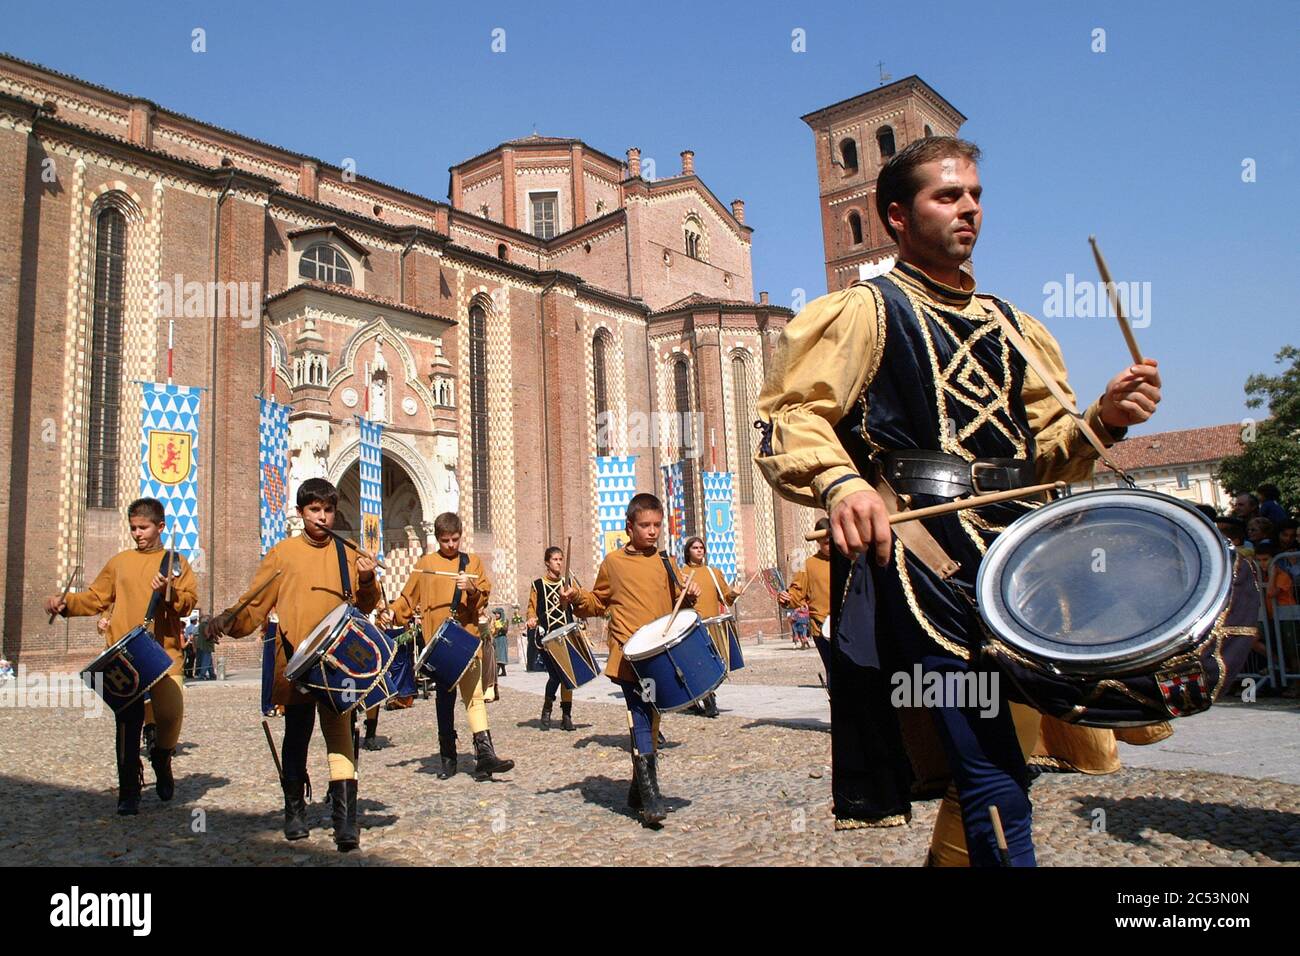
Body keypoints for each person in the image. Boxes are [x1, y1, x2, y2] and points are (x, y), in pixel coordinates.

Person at [755, 135, 1161, 863]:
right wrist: (842, 482)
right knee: (989, 764)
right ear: (897, 217)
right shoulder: (863, 311)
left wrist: (1106, 419)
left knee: (1000, 760)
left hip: (1018, 556)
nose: (969, 208)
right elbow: (792, 417)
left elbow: (1052, 454)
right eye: (947, 195)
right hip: (921, 558)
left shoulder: (1015, 325)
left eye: (974, 194)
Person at [205, 477, 379, 851]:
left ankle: (345, 821)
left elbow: (366, 605)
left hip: (336, 664)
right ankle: (295, 810)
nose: (322, 517)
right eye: (314, 510)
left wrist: (367, 580)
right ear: (301, 513)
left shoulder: (346, 553)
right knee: (297, 738)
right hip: (297, 663)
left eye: (328, 510)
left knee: (341, 737)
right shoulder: (282, 554)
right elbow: (255, 603)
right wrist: (226, 620)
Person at [45, 497, 197, 815]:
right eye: (133, 528)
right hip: (126, 653)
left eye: (143, 528)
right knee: (127, 724)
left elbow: (188, 603)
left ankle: (162, 757)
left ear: (160, 526)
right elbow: (96, 597)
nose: (137, 534)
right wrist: (66, 604)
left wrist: (168, 590)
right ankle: (129, 791)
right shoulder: (119, 562)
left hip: (164, 652)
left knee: (170, 715)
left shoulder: (176, 562)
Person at [564, 493, 701, 826]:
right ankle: (651, 797)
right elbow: (597, 602)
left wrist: (689, 599)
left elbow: (676, 609)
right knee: (640, 716)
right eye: (645, 525)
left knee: (653, 719)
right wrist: (576, 597)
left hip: (659, 655)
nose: (652, 532)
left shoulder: (667, 563)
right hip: (630, 654)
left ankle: (638, 789)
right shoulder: (613, 563)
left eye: (657, 525)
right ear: (630, 527)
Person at [385, 512, 513, 781]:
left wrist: (472, 588)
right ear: (437, 538)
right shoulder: (425, 565)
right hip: (438, 645)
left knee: (475, 697)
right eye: (445, 541)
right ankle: (448, 756)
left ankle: (485, 755)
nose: (451, 545)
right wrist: (391, 613)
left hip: (466, 642)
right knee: (444, 701)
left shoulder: (471, 562)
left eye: (455, 539)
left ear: (460, 536)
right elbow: (408, 600)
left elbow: (483, 599)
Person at [682, 535, 738, 718]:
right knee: (698, 665)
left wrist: (735, 593)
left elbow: (726, 598)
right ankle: (707, 699)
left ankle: (705, 697)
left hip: (712, 625)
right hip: (692, 628)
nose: (699, 550)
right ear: (688, 551)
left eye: (701, 547)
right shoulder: (681, 573)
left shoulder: (713, 572)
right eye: (695, 548)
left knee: (715, 664)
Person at [527, 546, 579, 731]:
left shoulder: (568, 582)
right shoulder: (538, 584)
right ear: (547, 562)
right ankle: (547, 708)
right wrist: (531, 618)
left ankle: (567, 715)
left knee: (568, 676)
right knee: (555, 676)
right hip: (547, 637)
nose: (559, 563)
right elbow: (531, 608)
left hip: (566, 636)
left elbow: (578, 603)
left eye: (560, 559)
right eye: (555, 559)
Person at [779, 519, 833, 676]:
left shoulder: (850, 560)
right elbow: (796, 593)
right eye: (826, 543)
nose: (830, 546)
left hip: (850, 627)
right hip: (823, 628)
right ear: (818, 541)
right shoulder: (808, 565)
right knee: (834, 673)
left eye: (833, 541)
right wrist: (785, 598)